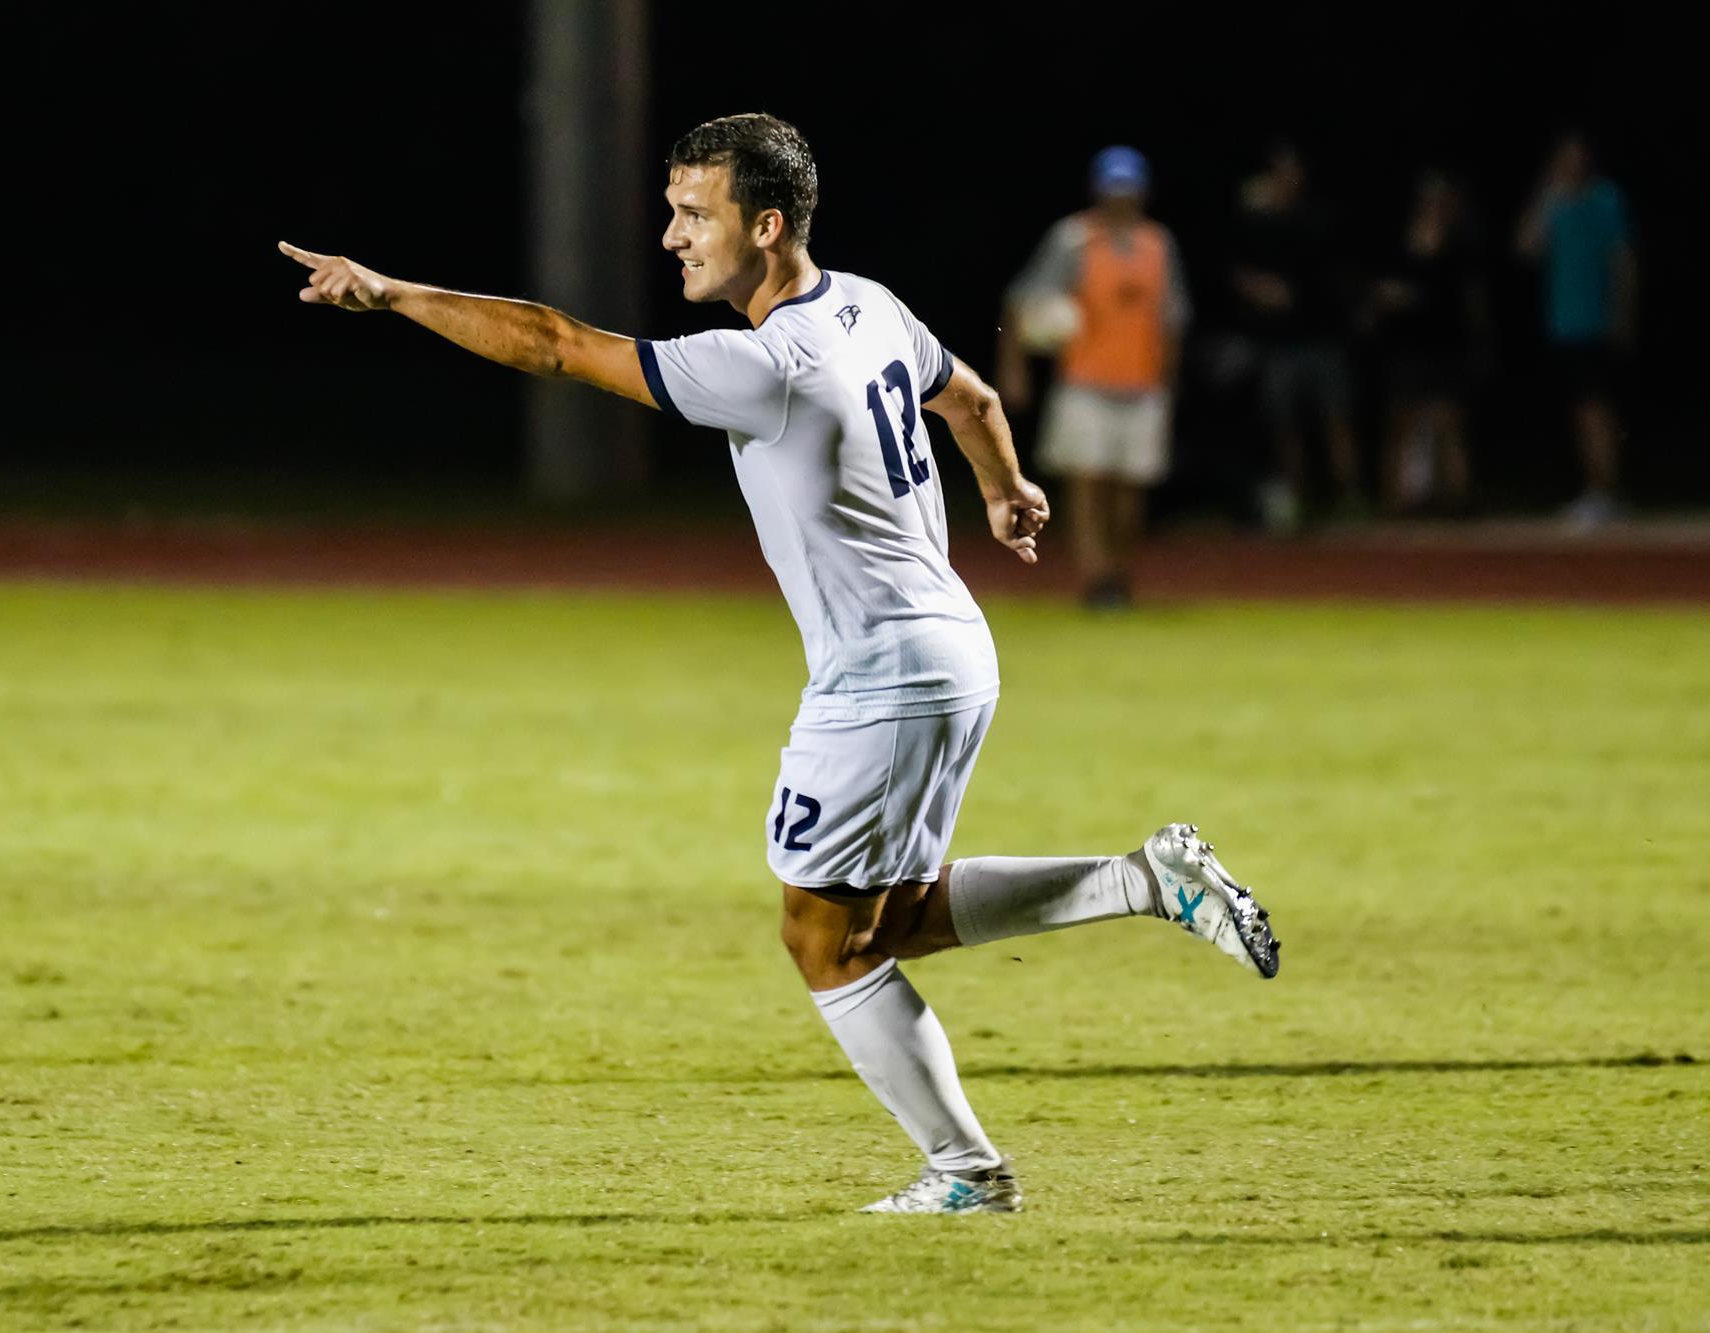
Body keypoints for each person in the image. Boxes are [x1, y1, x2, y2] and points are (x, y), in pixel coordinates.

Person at [278, 113, 1279, 1215]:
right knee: (886, 918)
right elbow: (974, 400)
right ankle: (1147, 881)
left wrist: (393, 293)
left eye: (692, 214)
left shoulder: (765, 364)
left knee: (822, 938)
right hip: (947, 651)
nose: (671, 236)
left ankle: (967, 1173)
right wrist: (1003, 491)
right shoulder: (869, 305)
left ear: (765, 226)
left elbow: (556, 344)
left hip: (885, 677)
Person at [997, 146, 1191, 609]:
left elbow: (1173, 319)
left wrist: (1170, 382)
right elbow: (1022, 300)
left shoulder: (1158, 245)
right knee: (1086, 484)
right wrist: (1015, 368)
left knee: (1128, 493)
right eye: (1113, 191)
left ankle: (1118, 572)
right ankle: (1097, 579)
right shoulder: (1072, 240)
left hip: (1142, 383)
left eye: (1128, 191)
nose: (1120, 200)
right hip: (1083, 381)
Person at [1232, 142, 1364, 528]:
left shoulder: (1318, 218)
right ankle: (1296, 502)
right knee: (1284, 427)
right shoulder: (1255, 221)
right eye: (1278, 172)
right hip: (1279, 343)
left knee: (1337, 420)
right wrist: (1257, 286)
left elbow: (1335, 269)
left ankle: (1349, 498)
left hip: (1324, 338)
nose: (1285, 179)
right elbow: (1235, 269)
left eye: (1292, 172)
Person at [1516, 133, 1637, 529]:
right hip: (1562, 323)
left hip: (1595, 321)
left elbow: (1623, 260)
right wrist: (1545, 192)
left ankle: (1607, 493)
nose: (1572, 166)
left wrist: (1622, 315)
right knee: (1580, 410)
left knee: (1595, 409)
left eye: (1578, 158)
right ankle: (1594, 490)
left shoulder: (1605, 198)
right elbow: (1526, 246)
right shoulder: (1553, 199)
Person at [1370, 170, 1489, 514]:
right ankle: (1394, 503)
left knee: (1449, 422)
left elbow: (1471, 299)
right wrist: (1387, 299)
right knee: (1401, 421)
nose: (1434, 205)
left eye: (1440, 198)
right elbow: (1379, 287)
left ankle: (1458, 501)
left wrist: (1480, 341)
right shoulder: (1400, 239)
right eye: (1428, 198)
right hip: (1407, 344)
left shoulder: (1461, 243)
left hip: (1447, 345)